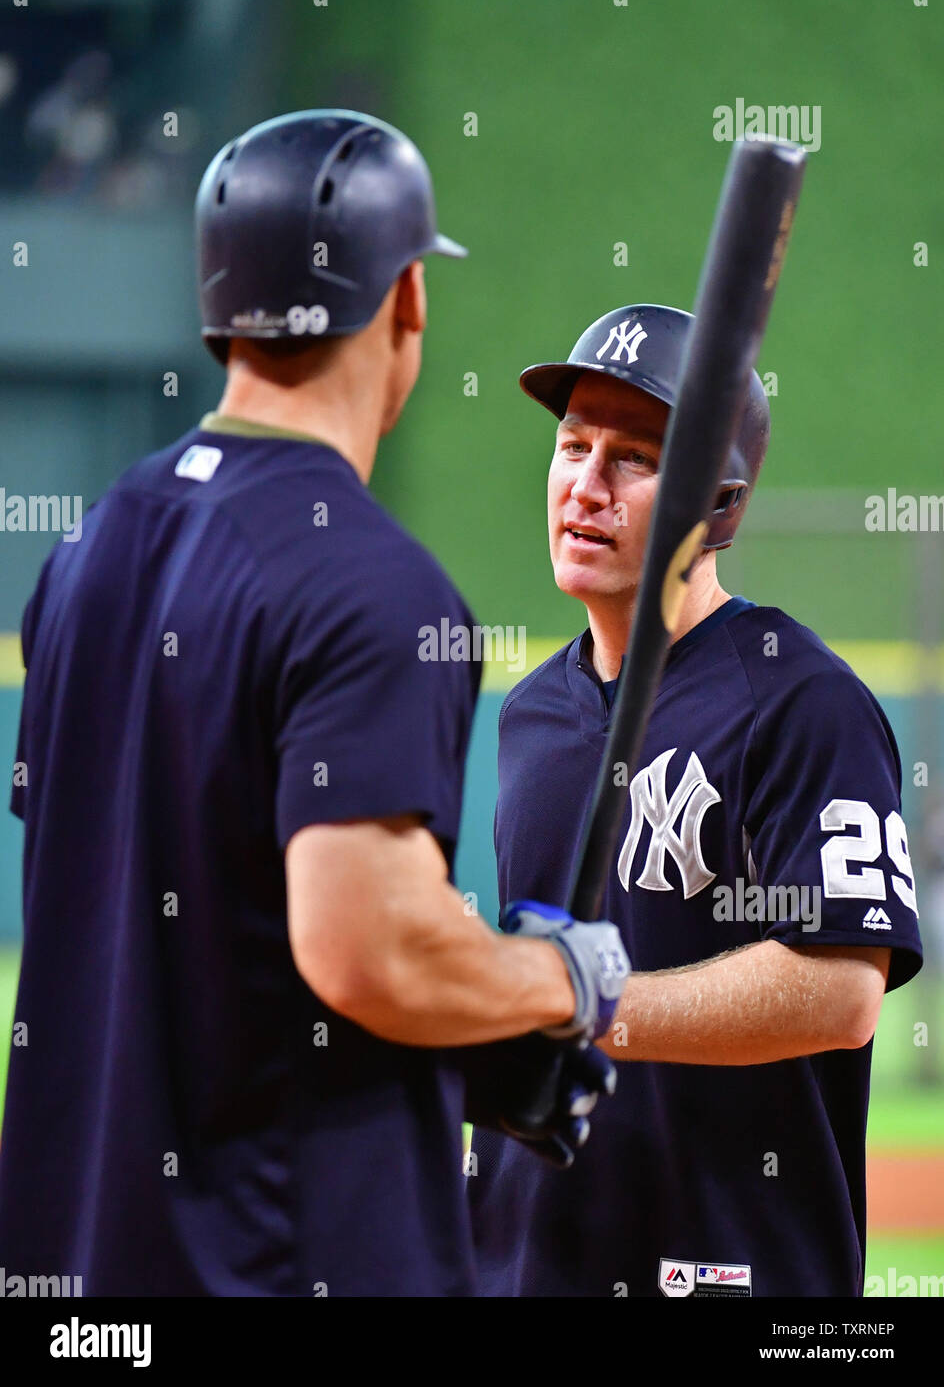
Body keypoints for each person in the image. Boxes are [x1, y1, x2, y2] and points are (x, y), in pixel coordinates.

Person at [0, 111, 627, 1298]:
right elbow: (366, 947)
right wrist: (562, 982)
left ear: (220, 307)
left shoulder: (86, 557)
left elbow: (183, 921)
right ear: (405, 304)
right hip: (284, 1263)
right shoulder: (370, 585)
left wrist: (466, 1036)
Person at [469, 303, 923, 1298]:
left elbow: (842, 989)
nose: (584, 487)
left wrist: (586, 1005)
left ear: (717, 502)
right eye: (572, 445)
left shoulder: (802, 701)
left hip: (725, 1266)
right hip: (521, 1261)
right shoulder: (531, 712)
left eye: (631, 459)